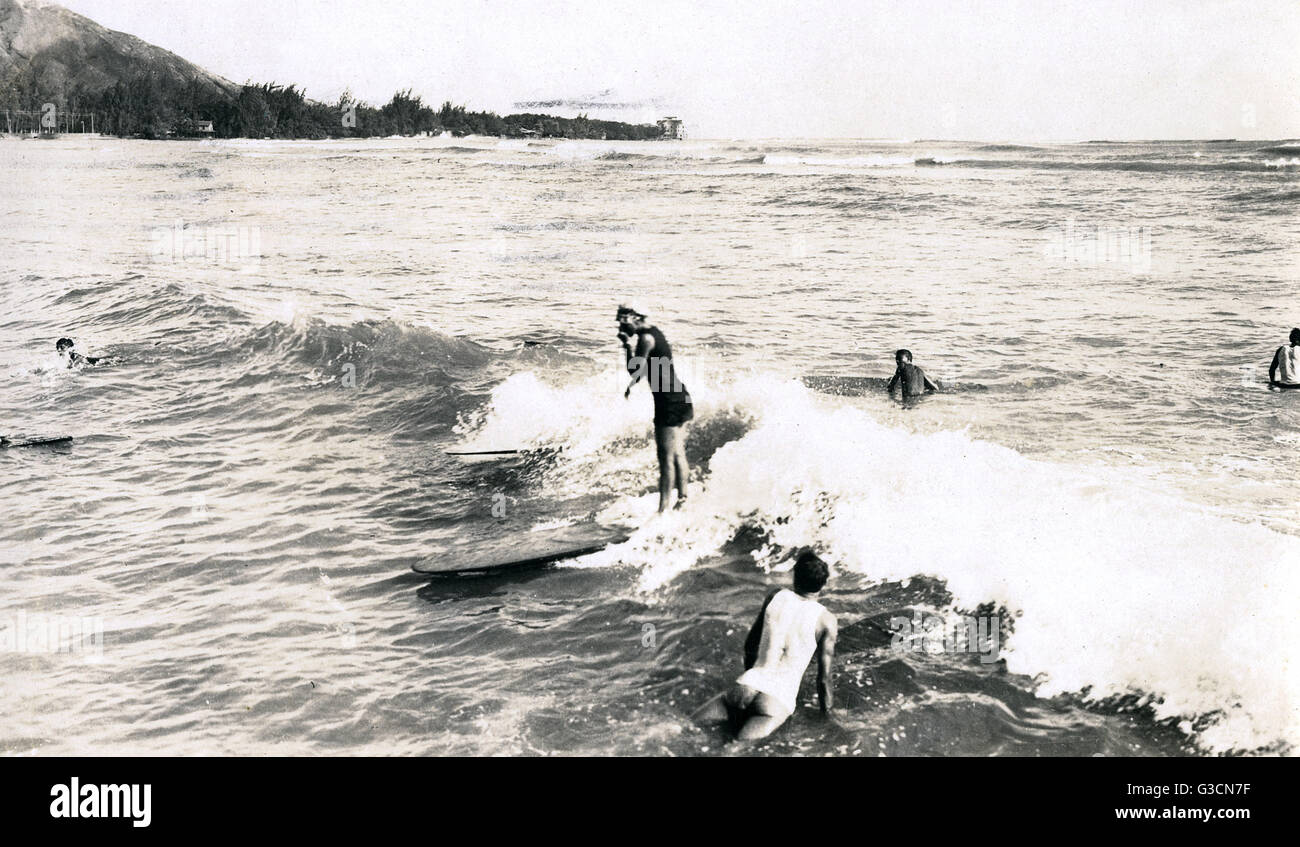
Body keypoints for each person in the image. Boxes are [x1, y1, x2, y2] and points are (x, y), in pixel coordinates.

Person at [693, 550, 838, 741]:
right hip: (776, 701)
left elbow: (750, 646)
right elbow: (823, 679)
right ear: (824, 584)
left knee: (688, 729)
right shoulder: (827, 620)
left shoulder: (776, 597)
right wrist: (827, 717)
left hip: (746, 685)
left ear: (795, 576)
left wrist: (754, 681)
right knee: (734, 751)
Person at [617, 302, 693, 512]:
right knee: (678, 454)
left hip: (668, 403)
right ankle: (683, 500)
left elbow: (635, 372)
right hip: (682, 398)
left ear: (634, 317)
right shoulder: (655, 333)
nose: (618, 323)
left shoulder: (646, 339)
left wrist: (626, 347)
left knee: (665, 460)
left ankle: (663, 511)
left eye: (621, 318)